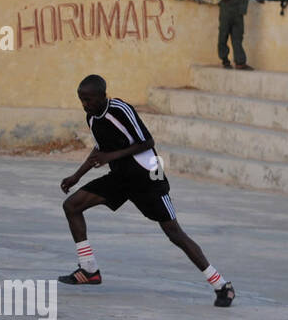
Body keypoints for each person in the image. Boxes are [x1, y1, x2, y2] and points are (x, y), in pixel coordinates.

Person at [58, 74, 234, 307]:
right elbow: (100, 149)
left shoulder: (120, 109)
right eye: (81, 100)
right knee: (72, 205)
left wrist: (112, 156)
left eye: (88, 99)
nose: (85, 104)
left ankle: (221, 285)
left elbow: (147, 142)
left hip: (148, 176)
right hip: (121, 177)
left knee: (174, 232)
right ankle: (89, 270)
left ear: (103, 95)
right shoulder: (92, 118)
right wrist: (76, 176)